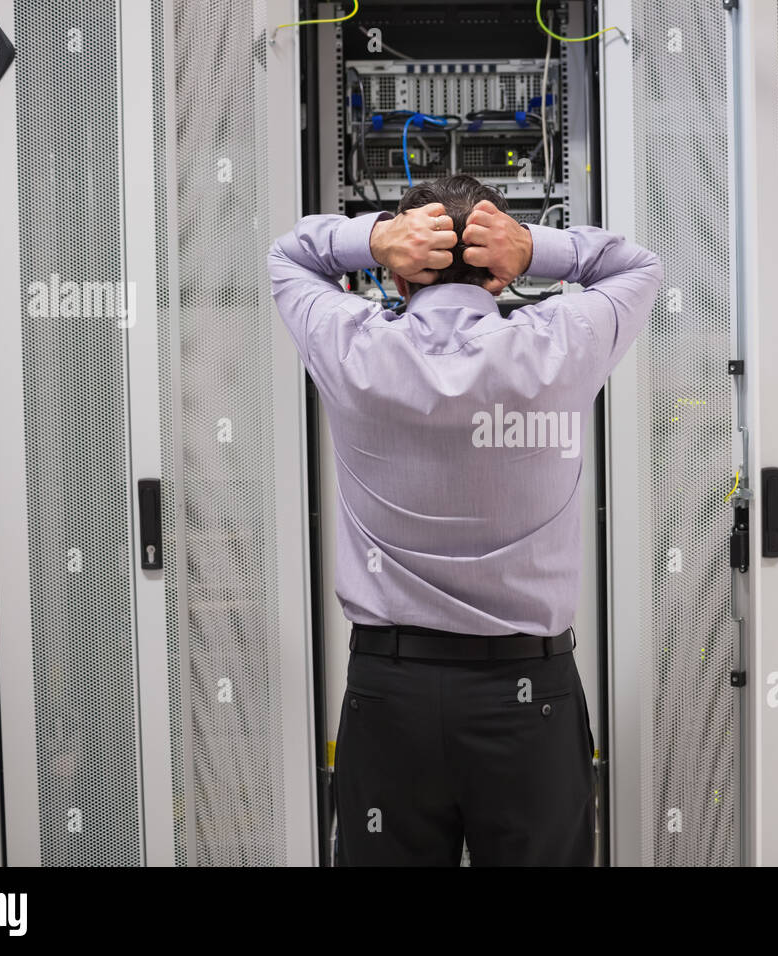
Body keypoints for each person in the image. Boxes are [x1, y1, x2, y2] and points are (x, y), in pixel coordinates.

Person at [268, 174, 662, 866]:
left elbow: (288, 256)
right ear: (498, 273)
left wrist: (374, 239)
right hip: (527, 701)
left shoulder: (353, 348)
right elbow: (638, 267)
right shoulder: (559, 345)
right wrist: (535, 246)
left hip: (390, 695)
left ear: (398, 275)